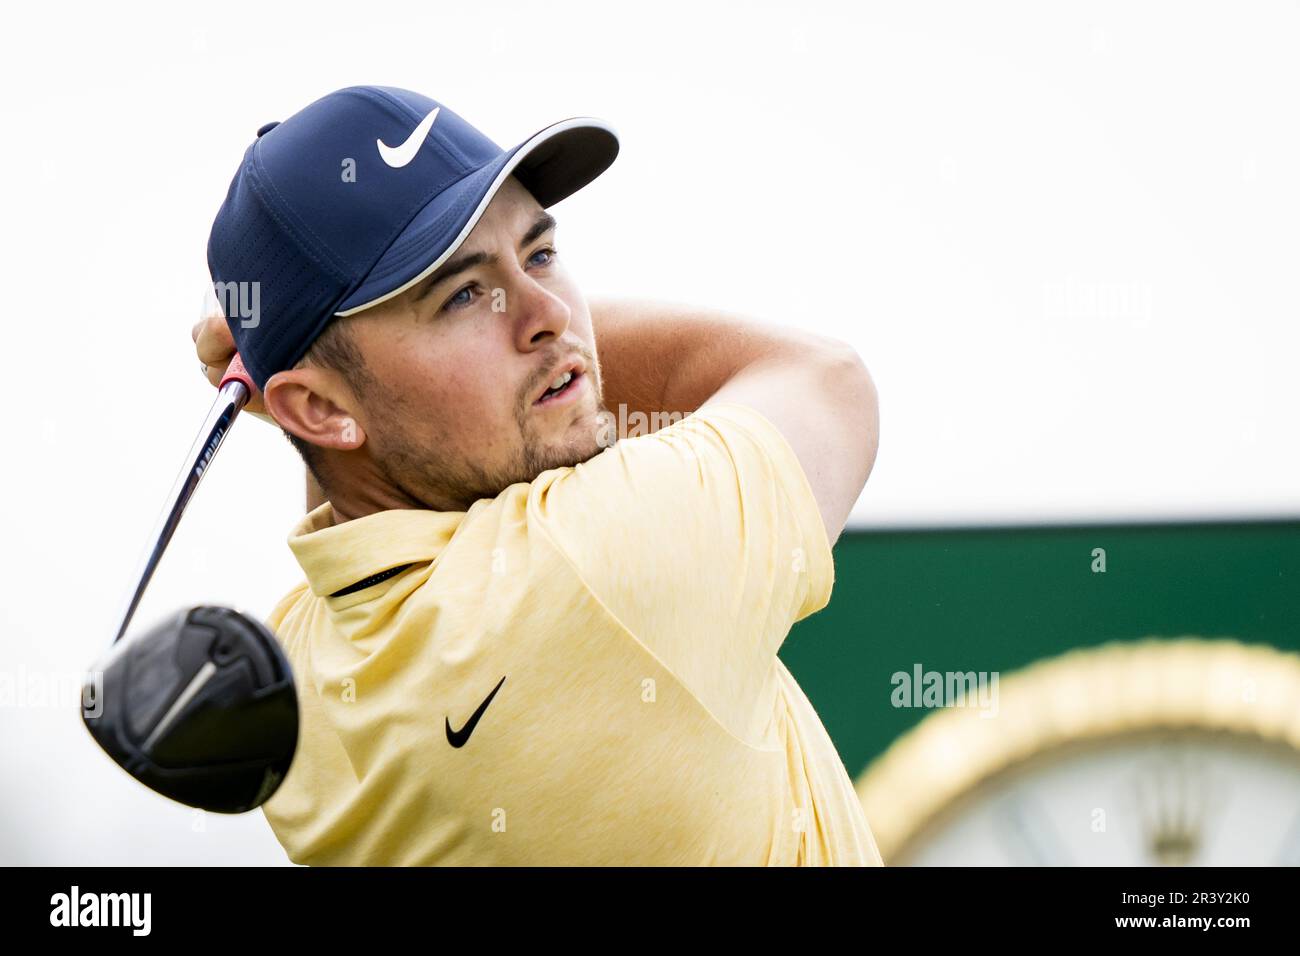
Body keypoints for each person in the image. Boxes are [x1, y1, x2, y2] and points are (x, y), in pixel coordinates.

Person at [194, 85, 882, 865]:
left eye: (541, 253)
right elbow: (826, 380)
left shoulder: (303, 673)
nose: (547, 311)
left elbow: (361, 494)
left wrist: (318, 380)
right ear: (315, 409)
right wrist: (313, 379)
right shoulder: (593, 563)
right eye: (461, 296)